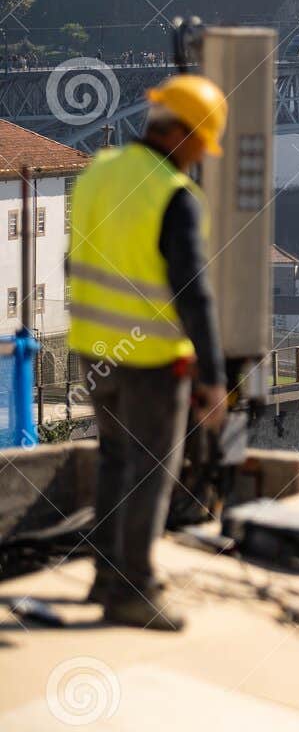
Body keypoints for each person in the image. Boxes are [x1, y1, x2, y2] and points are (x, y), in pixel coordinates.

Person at [67, 75, 229, 631]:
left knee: (114, 461)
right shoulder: (173, 195)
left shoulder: (99, 170)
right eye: (200, 147)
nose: (198, 160)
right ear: (182, 135)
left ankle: (105, 577)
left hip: (94, 351)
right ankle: (134, 590)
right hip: (153, 360)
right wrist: (213, 377)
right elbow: (194, 292)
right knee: (152, 471)